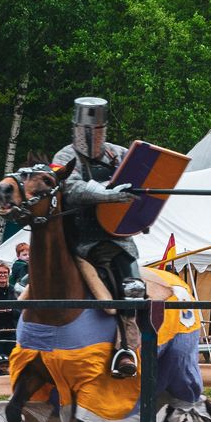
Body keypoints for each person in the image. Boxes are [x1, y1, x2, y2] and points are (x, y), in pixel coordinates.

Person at [51, 96, 142, 377]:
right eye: (86, 130)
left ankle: (125, 348)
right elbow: (71, 188)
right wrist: (109, 193)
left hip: (115, 239)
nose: (91, 135)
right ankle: (33, 343)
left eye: (97, 129)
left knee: (132, 288)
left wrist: (141, 193)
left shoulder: (119, 153)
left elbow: (143, 179)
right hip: (75, 238)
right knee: (30, 283)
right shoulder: (63, 157)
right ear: (76, 128)